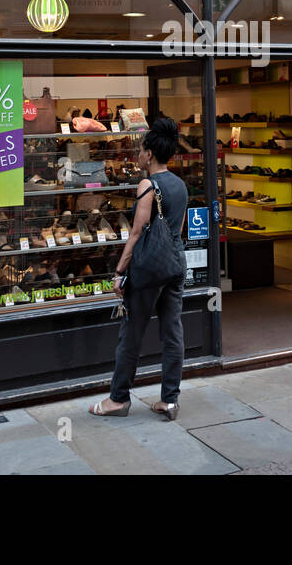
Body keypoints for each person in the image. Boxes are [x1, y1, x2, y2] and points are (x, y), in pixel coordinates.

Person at [90, 117, 188, 420]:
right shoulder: (181, 185)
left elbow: (137, 232)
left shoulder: (148, 184)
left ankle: (118, 399)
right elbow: (176, 231)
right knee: (172, 332)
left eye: (141, 149)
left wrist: (120, 270)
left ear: (150, 153)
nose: (138, 154)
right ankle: (169, 400)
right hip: (174, 265)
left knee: (131, 334)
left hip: (148, 271)